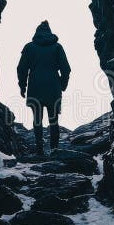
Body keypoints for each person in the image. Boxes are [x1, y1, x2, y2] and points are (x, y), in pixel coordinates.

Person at [17, 21, 71, 155]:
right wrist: (63, 85)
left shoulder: (29, 47)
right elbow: (66, 69)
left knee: (37, 120)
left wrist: (22, 86)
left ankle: (39, 150)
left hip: (35, 87)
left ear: (36, 32)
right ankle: (54, 150)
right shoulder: (57, 47)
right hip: (53, 88)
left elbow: (21, 69)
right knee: (54, 120)